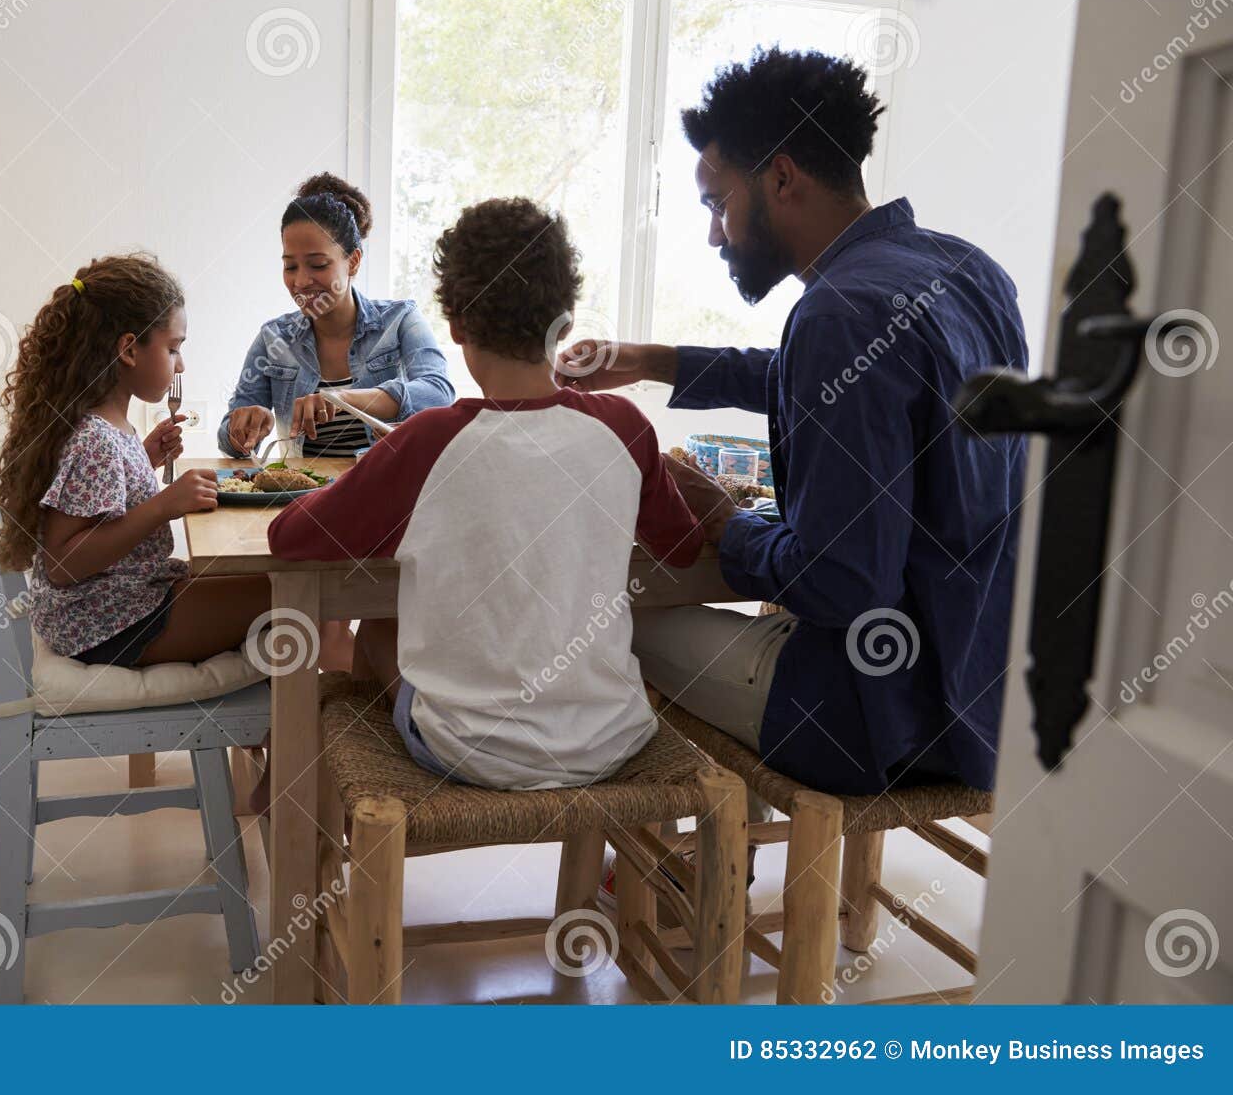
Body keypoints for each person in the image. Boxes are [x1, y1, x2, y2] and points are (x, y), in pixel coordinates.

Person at [564, 47, 1028, 801]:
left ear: (782, 178)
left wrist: (721, 519)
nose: (715, 234)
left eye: (718, 202)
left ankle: (684, 864)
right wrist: (648, 358)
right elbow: (823, 383)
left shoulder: (837, 314)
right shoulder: (967, 271)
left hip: (868, 719)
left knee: (612, 624)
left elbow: (842, 583)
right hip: (984, 700)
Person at [267, 198, 704, 789]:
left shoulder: (426, 442)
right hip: (609, 736)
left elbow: (290, 540)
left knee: (377, 630)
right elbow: (681, 550)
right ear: (566, 323)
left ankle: (335, 800)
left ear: (456, 325)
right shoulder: (626, 428)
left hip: (467, 749)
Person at [0, 254, 271, 668]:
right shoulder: (96, 438)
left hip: (106, 611)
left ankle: (270, 728)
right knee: (287, 593)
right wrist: (163, 504)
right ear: (128, 349)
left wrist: (144, 457)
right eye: (174, 349)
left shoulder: (102, 422)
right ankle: (285, 728)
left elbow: (97, 507)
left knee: (272, 586)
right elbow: (64, 562)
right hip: (107, 624)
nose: (181, 364)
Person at [218, 172, 455, 459]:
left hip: (388, 491)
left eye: (318, 265)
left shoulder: (400, 320)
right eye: (290, 267)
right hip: (307, 498)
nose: (301, 281)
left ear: (353, 261)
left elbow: (438, 392)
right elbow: (229, 441)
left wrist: (341, 399)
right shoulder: (273, 339)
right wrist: (243, 427)